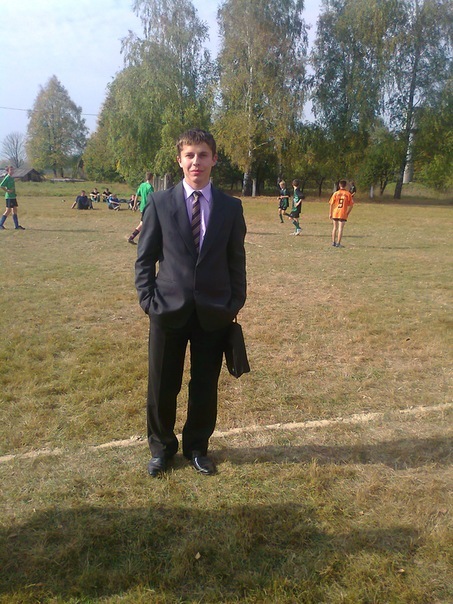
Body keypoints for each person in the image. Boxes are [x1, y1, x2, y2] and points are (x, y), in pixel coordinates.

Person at [135, 129, 247, 478]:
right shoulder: (159, 203)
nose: (196, 161)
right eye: (189, 155)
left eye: (203, 154)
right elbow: (145, 258)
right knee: (162, 385)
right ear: (180, 160)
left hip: (213, 312)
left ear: (214, 159)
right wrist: (148, 300)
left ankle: (197, 447)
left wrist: (234, 303)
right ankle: (162, 449)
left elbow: (236, 259)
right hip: (167, 309)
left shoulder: (230, 207)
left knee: (204, 386)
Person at [127, 172, 154, 244]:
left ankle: (132, 237)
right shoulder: (150, 187)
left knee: (143, 223)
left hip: (142, 207)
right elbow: (152, 198)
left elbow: (136, 195)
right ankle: (143, 240)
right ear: (152, 178)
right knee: (147, 224)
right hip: (148, 208)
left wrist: (134, 205)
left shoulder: (142, 185)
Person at [329, 179, 354, 247]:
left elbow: (331, 203)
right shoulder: (348, 194)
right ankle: (338, 243)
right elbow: (351, 205)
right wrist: (347, 213)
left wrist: (330, 213)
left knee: (335, 228)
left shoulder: (336, 193)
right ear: (345, 186)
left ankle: (333, 242)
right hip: (342, 213)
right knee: (340, 228)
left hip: (335, 212)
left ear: (339, 185)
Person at [0, 166, 25, 230]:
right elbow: (1, 185)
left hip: (13, 196)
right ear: (8, 171)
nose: (12, 171)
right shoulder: (7, 178)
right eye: (11, 170)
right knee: (8, 211)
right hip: (9, 197)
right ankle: (0, 225)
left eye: (13, 170)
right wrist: (7, 191)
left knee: (15, 210)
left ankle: (16, 226)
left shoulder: (11, 178)